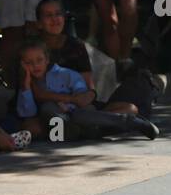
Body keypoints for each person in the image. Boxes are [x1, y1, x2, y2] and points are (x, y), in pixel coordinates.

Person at [16, 39, 158, 140]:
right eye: (29, 63)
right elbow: (28, 113)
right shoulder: (27, 85)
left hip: (79, 115)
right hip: (58, 126)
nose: (35, 66)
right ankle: (123, 123)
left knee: (125, 108)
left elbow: (83, 99)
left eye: (39, 60)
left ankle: (119, 122)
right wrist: (26, 86)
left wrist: (67, 104)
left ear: (47, 59)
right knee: (45, 111)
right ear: (22, 65)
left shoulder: (65, 74)